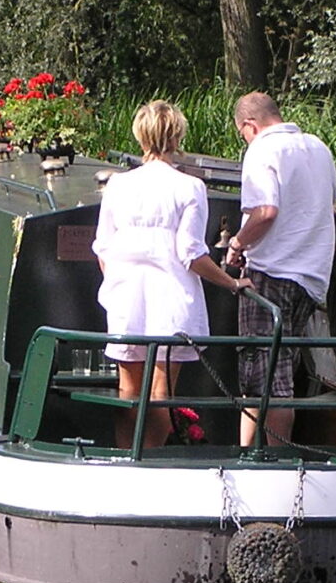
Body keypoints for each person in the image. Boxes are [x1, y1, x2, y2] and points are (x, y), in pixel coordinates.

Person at [95, 100, 252, 449]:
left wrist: (118, 284)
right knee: (161, 392)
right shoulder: (189, 187)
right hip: (172, 300)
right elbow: (191, 254)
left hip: (125, 297)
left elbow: (102, 248)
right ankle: (151, 461)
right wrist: (231, 282)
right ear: (177, 135)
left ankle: (126, 461)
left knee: (128, 392)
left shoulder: (118, 185)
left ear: (140, 136)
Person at [223, 91, 336, 447]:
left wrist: (237, 244)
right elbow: (330, 209)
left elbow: (266, 212)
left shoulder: (262, 149)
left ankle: (261, 461)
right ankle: (275, 457)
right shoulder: (319, 147)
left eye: (242, 133)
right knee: (282, 366)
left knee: (264, 378)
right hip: (313, 276)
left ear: (249, 125)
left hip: (272, 273)